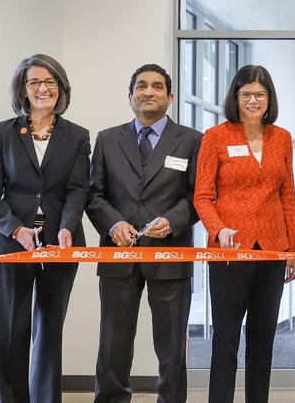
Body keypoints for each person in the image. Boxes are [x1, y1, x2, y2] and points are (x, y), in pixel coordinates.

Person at [85, 63, 202, 403]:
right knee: (113, 343)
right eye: (141, 86)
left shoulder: (193, 140)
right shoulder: (108, 139)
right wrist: (113, 224)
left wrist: (173, 221)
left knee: (172, 346)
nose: (148, 91)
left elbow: (198, 196)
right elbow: (94, 194)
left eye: (156, 86)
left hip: (170, 254)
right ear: (130, 96)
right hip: (118, 254)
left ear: (170, 96)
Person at [0, 54, 90, 403]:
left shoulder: (77, 136)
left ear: (61, 87)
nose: (44, 88)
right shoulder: (3, 133)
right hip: (11, 243)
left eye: (50, 82)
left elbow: (77, 190)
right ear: (23, 89)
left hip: (60, 243)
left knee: (49, 332)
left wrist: (68, 226)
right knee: (10, 331)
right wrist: (16, 229)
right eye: (35, 82)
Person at [193, 65, 295, 403]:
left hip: (272, 249)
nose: (253, 101)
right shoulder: (216, 137)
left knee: (263, 338)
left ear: (269, 98)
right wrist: (218, 229)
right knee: (226, 337)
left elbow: (287, 196)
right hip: (230, 250)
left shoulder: (281, 137)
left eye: (260, 94)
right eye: (246, 94)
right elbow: (202, 196)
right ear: (235, 97)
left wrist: (293, 250)